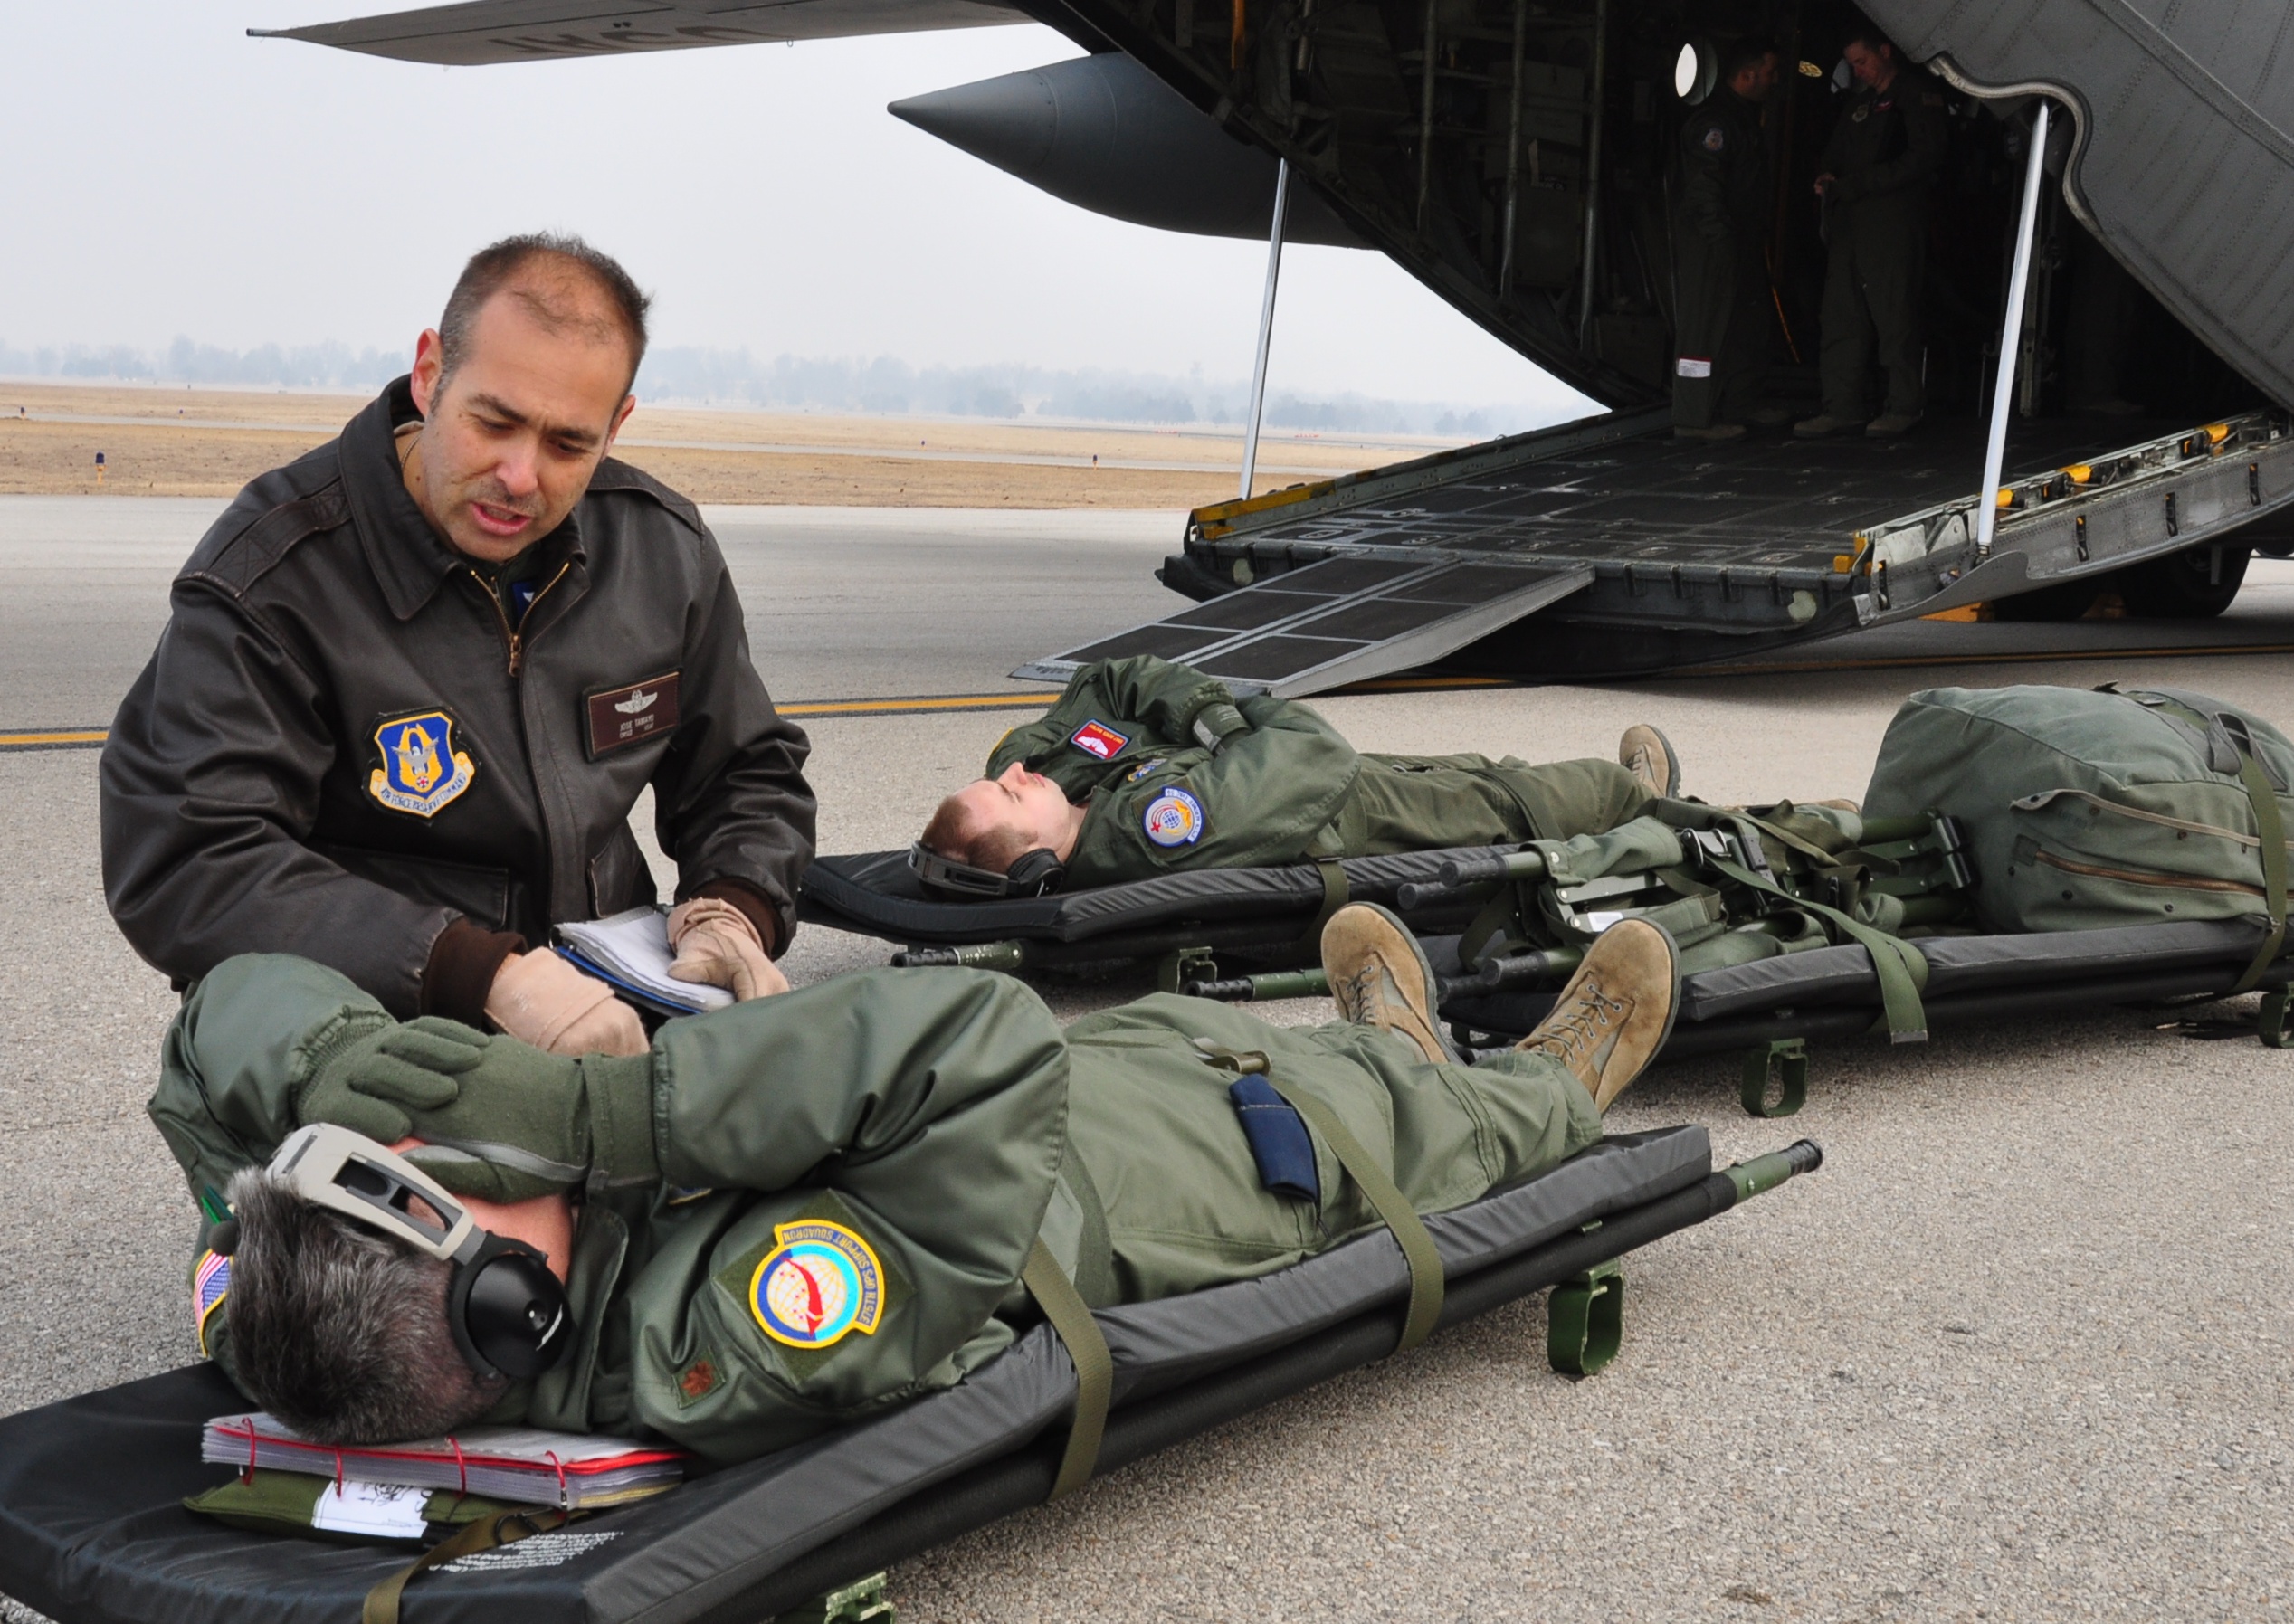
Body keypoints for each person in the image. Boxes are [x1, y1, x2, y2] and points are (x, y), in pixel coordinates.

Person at [157, 906, 1680, 1462]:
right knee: (1379, 1125)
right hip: (1124, 1196)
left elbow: (212, 1023)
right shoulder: (731, 1337)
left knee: (1190, 1031)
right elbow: (985, 1046)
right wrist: (607, 1113)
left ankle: (1397, 1038)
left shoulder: (283, 1290)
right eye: (440, 1174)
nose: (445, 1136)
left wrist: (336, 1080)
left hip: (1055, 1095)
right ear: (513, 1308)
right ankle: (1552, 1074)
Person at [101, 235, 816, 1059]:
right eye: (495, 422)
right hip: (363, 1037)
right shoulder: (274, 581)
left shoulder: (663, 553)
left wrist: (733, 905)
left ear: (617, 424)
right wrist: (476, 972)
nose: (520, 475)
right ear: (430, 372)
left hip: (611, 1021)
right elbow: (191, 856)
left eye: (567, 445)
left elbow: (743, 769)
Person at [916, 655, 1676, 894]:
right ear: (1037, 860)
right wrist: (1229, 720)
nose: (1017, 769)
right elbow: (1310, 751)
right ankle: (1654, 804)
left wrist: (1205, 721)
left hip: (1335, 787)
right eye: (1010, 791)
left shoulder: (1056, 785)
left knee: (1486, 769)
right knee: (1526, 798)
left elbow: (1109, 680)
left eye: (1002, 775)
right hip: (1367, 813)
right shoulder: (1159, 829)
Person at [1794, 31, 1949, 441]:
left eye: (1862, 61)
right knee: (1841, 314)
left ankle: (1903, 405)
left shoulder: (1916, 96)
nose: (1858, 70)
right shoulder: (1859, 104)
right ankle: (1841, 406)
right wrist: (1828, 176)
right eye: (1853, 64)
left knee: (1894, 312)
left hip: (1892, 222)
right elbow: (1834, 153)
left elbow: (1925, 155)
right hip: (1850, 223)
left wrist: (1862, 183)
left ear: (1885, 52)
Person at [1671, 41, 1782, 442]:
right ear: (1748, 74)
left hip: (1740, 239)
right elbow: (1703, 190)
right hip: (1712, 242)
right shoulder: (1716, 124)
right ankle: (1693, 418)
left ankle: (1740, 402)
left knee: (1745, 321)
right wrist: (1720, 239)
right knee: (1704, 325)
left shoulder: (1744, 119)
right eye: (1770, 73)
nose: (1774, 82)